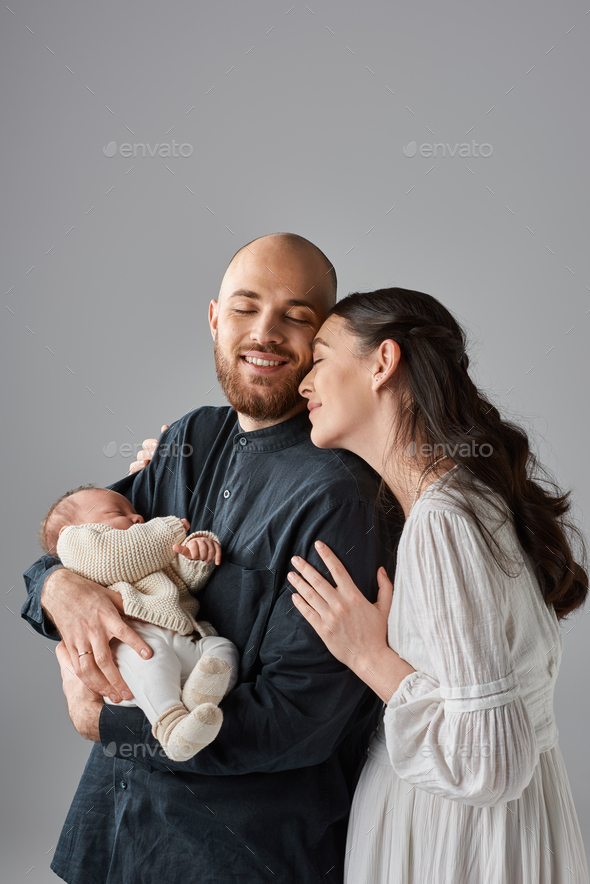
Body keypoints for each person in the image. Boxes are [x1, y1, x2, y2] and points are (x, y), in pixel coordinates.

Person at [21, 233, 402, 884]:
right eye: (246, 306)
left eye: (297, 316)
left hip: (235, 858)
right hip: (106, 840)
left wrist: (109, 722)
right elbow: (79, 535)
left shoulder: (341, 497)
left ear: (324, 341)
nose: (266, 332)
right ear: (214, 318)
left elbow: (298, 722)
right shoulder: (188, 437)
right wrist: (57, 587)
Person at [287, 287, 589, 883]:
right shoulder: (462, 501)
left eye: (319, 357)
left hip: (458, 845)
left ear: (383, 362)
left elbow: (491, 762)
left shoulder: (443, 519)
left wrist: (370, 657)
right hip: (475, 833)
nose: (304, 383)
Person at [41, 485, 239, 761]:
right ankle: (170, 726)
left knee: (222, 648)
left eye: (135, 513)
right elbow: (113, 558)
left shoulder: (149, 557)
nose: (138, 518)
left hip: (183, 642)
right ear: (68, 532)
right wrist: (170, 530)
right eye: (117, 512)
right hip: (130, 651)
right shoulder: (77, 545)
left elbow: (185, 581)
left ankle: (195, 702)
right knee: (150, 655)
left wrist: (195, 554)